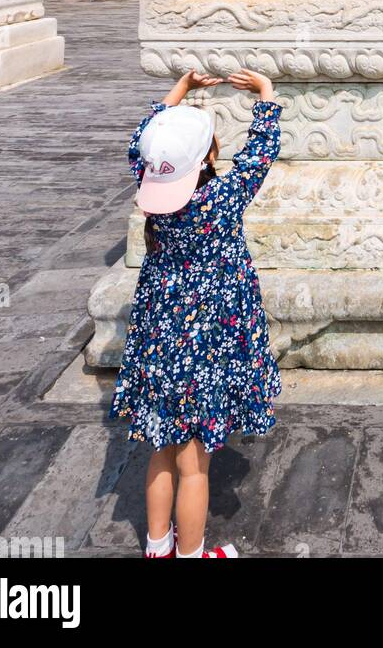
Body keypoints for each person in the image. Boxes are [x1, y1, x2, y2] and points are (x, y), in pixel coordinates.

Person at [110, 67, 282, 560]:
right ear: (210, 155)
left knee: (159, 450)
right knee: (194, 465)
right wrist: (265, 95)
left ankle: (158, 546)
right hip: (205, 349)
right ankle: (191, 555)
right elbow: (260, 155)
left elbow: (142, 140)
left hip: (158, 340)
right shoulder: (220, 200)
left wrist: (179, 91)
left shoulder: (150, 190)